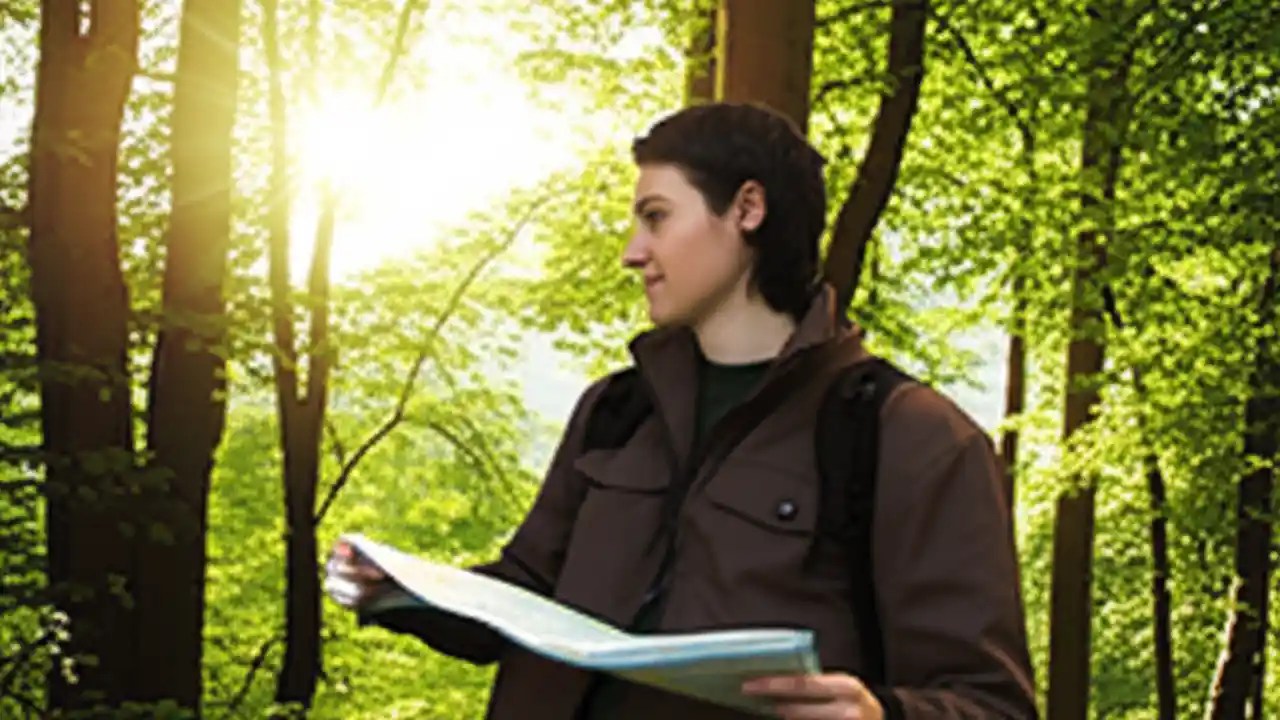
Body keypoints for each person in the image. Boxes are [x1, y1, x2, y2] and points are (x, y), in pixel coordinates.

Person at [327, 101, 1038, 720]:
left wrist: (885, 714)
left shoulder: (908, 436)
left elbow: (992, 704)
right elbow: (524, 596)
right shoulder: (616, 411)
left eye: (657, 218)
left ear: (748, 210)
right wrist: (403, 592)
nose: (632, 253)